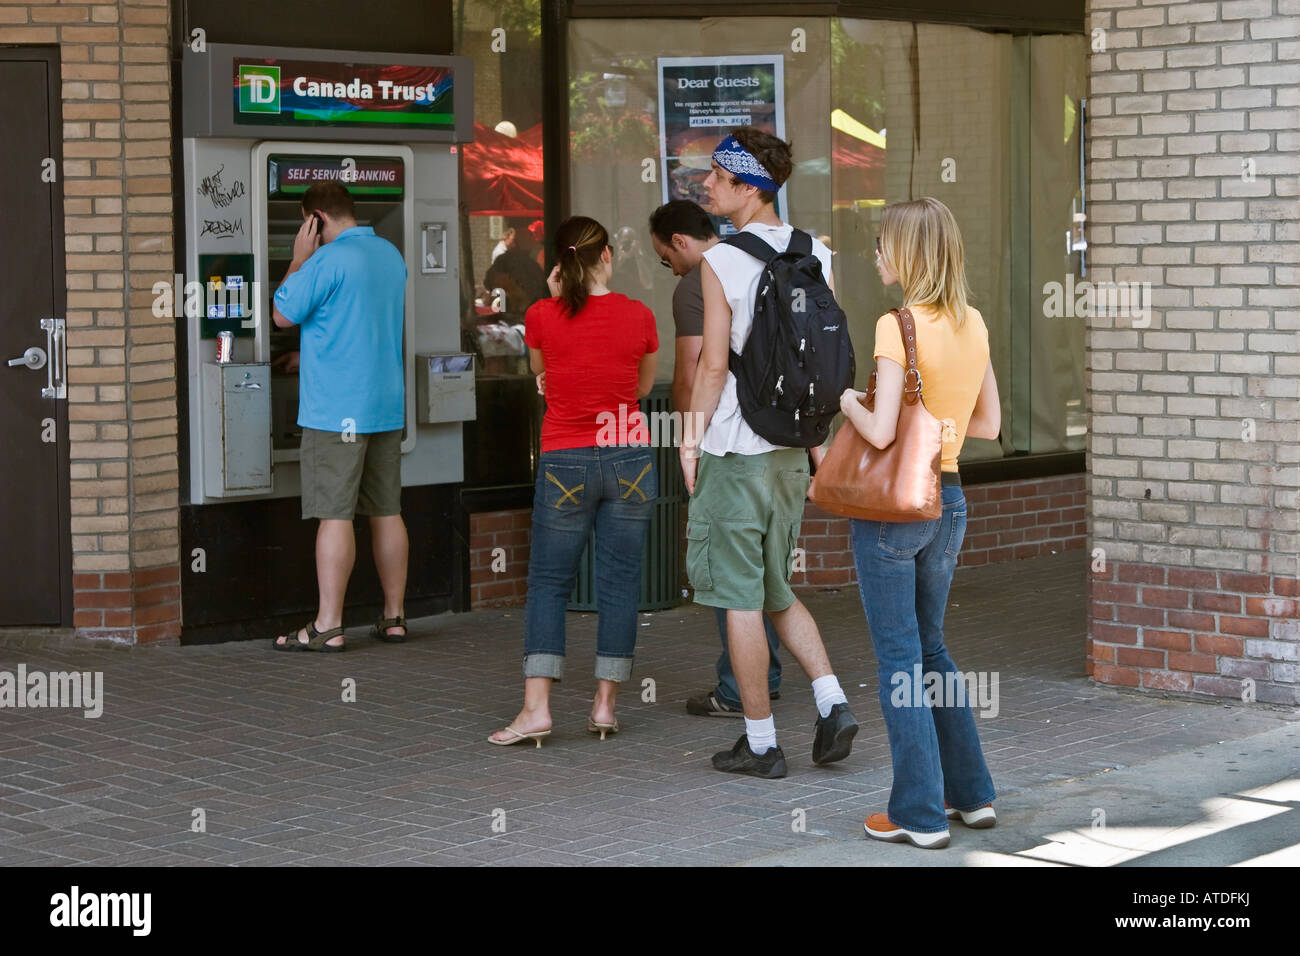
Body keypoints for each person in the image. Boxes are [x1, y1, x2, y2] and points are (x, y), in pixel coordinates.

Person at [680, 127, 858, 778]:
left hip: (735, 446)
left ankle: (760, 743)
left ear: (747, 186)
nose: (706, 186)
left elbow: (711, 365)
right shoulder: (819, 253)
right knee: (776, 587)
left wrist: (690, 442)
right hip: (791, 445)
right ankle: (831, 699)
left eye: (718, 179)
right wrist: (819, 447)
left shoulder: (722, 262)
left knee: (739, 598)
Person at [840, 197, 1001, 849]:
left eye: (883, 245)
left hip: (895, 509)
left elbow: (879, 431)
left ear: (907, 254)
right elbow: (988, 425)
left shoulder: (895, 325)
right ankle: (972, 796)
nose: (877, 255)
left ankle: (919, 814)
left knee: (901, 659)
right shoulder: (973, 325)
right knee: (930, 649)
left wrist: (847, 399)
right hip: (952, 497)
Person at [489, 216, 659, 748]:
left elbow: (543, 373)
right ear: (607, 255)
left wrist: (557, 296)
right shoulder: (639, 315)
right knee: (620, 582)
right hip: (629, 455)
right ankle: (605, 705)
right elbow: (642, 385)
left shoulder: (542, 314)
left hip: (566, 457)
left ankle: (537, 709)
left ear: (559, 265)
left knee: (547, 584)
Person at [648, 199, 785, 718]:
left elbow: (692, 370)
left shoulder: (698, 280)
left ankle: (737, 688)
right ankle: (776, 679)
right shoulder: (761, 260)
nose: (672, 269)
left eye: (666, 259)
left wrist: (688, 439)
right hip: (776, 438)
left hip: (725, 440)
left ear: (680, 242)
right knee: (765, 566)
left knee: (730, 571)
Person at [269, 182, 409, 652]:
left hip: (336, 412)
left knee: (335, 514)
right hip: (385, 405)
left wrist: (297, 259)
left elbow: (282, 315)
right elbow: (355, 323)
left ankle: (328, 624)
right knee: (387, 510)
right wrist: (308, 356)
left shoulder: (325, 260)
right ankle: (394, 616)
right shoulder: (390, 254)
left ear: (316, 220)